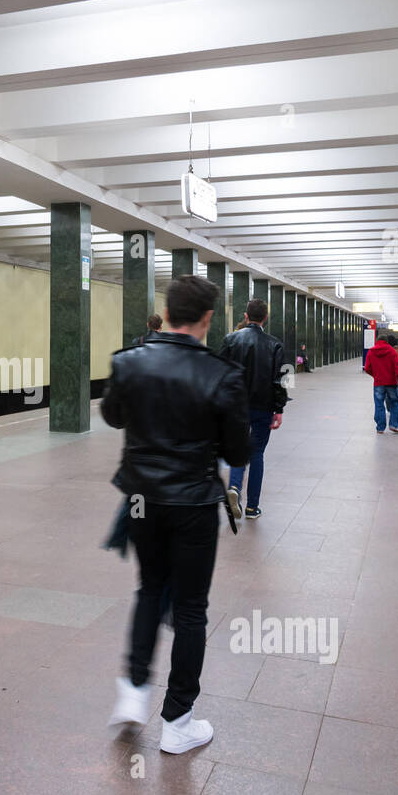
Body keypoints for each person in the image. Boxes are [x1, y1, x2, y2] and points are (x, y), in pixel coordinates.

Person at [101, 275, 250, 754]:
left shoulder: (129, 363)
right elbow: (239, 450)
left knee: (148, 589)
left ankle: (132, 692)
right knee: (190, 609)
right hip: (193, 506)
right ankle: (178, 722)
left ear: (166, 311)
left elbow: (113, 416)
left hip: (142, 500)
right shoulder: (221, 374)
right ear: (208, 319)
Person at [218, 298, 289, 520]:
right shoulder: (275, 344)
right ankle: (252, 508)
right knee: (257, 452)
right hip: (263, 406)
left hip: (235, 407)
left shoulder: (230, 339)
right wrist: (279, 408)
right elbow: (282, 380)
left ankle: (234, 488)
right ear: (265, 318)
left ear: (246, 316)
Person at [363, 332, 398, 434]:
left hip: (378, 383)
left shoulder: (371, 351)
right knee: (395, 402)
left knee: (379, 404)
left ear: (377, 341)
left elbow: (367, 368)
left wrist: (375, 375)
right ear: (387, 342)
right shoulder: (391, 351)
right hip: (391, 382)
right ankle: (393, 424)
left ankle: (380, 428)